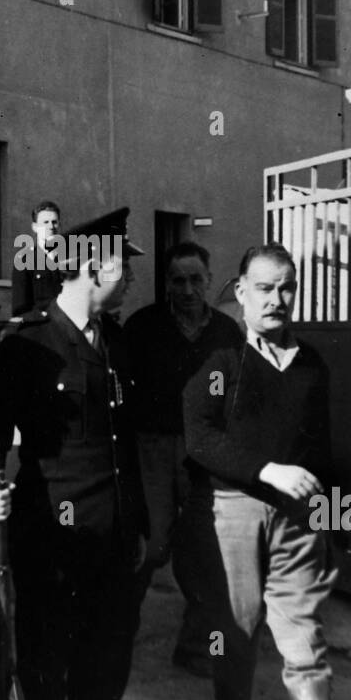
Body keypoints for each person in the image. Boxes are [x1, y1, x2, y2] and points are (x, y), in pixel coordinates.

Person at [0, 209, 163, 700]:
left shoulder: (118, 341)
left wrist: (137, 526)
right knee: (48, 665)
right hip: (51, 537)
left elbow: (124, 444)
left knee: (105, 663)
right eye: (123, 265)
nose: (131, 276)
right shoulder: (27, 343)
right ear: (89, 267)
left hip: (111, 537)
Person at [183, 242, 351, 700]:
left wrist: (339, 514)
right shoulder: (222, 365)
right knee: (237, 631)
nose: (278, 299)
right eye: (265, 288)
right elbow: (201, 437)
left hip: (299, 521)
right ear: (240, 294)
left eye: (287, 287)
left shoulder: (311, 366)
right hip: (234, 514)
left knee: (303, 630)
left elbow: (324, 448)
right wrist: (265, 470)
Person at [123, 241, 243, 675]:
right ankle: (115, 635)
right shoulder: (143, 327)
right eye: (178, 280)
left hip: (204, 452)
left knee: (204, 550)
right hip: (154, 448)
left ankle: (196, 648)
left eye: (196, 279)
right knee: (151, 546)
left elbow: (235, 395)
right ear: (167, 284)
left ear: (209, 281)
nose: (188, 289)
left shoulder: (228, 334)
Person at [10, 199, 63, 317]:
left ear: (59, 224)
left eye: (54, 222)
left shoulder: (69, 257)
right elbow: (20, 308)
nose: (51, 226)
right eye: (45, 222)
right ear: (35, 227)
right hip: (41, 328)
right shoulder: (24, 260)